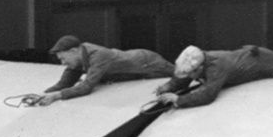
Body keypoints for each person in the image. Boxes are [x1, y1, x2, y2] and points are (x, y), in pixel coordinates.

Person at [152, 44, 273, 109]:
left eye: (191, 73)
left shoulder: (216, 67)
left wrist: (179, 99)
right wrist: (168, 86)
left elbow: (208, 94)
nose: (189, 77)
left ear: (200, 68)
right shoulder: (199, 61)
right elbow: (184, 77)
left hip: (263, 60)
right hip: (247, 58)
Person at [31, 36, 174, 106]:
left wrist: (56, 96)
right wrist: (42, 95)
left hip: (149, 62)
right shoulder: (77, 60)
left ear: (73, 51)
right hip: (135, 70)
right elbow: (63, 84)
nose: (63, 63)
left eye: (63, 58)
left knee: (180, 73)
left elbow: (86, 87)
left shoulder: (99, 55)